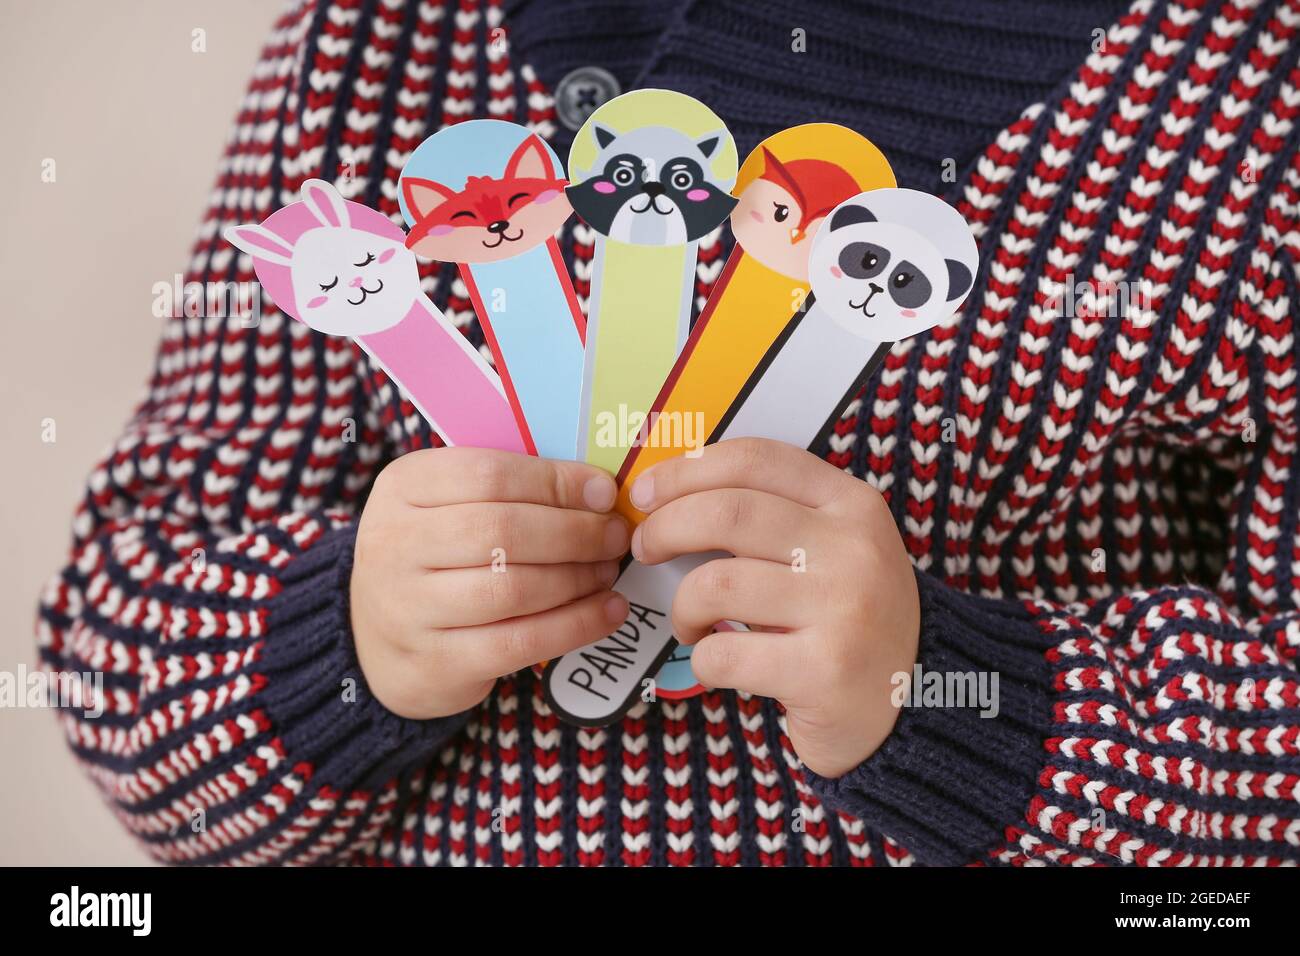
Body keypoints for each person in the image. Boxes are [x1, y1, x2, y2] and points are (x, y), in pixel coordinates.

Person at [37, 0, 1300, 866]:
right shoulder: (379, 39)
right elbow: (113, 658)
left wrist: (975, 704)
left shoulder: (1240, 88)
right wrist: (348, 641)